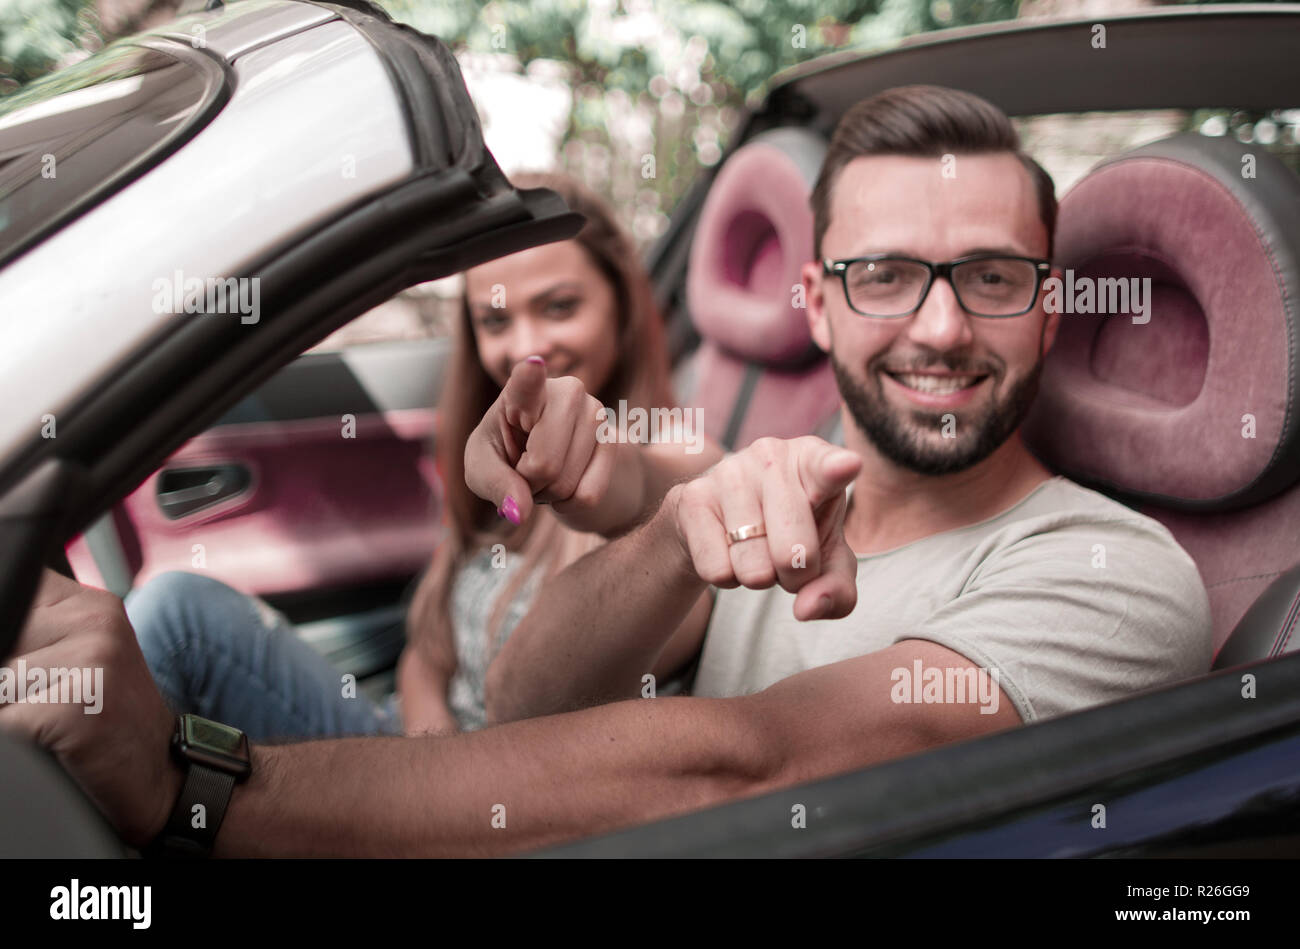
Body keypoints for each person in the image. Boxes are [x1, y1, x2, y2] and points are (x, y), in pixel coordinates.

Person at [1, 86, 1213, 857]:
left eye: (993, 277)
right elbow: (528, 700)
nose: (941, 330)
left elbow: (743, 766)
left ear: (1053, 313)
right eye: (883, 275)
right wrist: (661, 526)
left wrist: (207, 787)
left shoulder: (1111, 572)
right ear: (816, 305)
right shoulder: (751, 480)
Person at [120, 171, 719, 741]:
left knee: (176, 621)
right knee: (174, 610)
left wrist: (609, 485)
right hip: (411, 748)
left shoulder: (677, 453)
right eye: (496, 319)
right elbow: (427, 655)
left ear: (623, 305)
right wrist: (425, 747)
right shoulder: (497, 458)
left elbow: (671, 481)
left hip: (502, 812)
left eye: (560, 306)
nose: (527, 345)